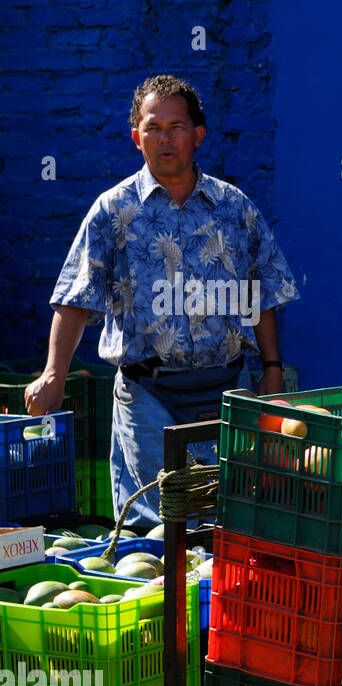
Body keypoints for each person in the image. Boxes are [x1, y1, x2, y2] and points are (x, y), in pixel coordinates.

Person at [25, 74, 298, 526]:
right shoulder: (113, 211)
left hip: (226, 390)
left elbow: (261, 291)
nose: (165, 138)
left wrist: (271, 370)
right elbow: (76, 296)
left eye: (176, 126)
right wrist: (54, 374)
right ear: (137, 138)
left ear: (198, 135)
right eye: (153, 127)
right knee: (156, 530)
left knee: (226, 520)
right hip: (147, 393)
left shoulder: (235, 208)